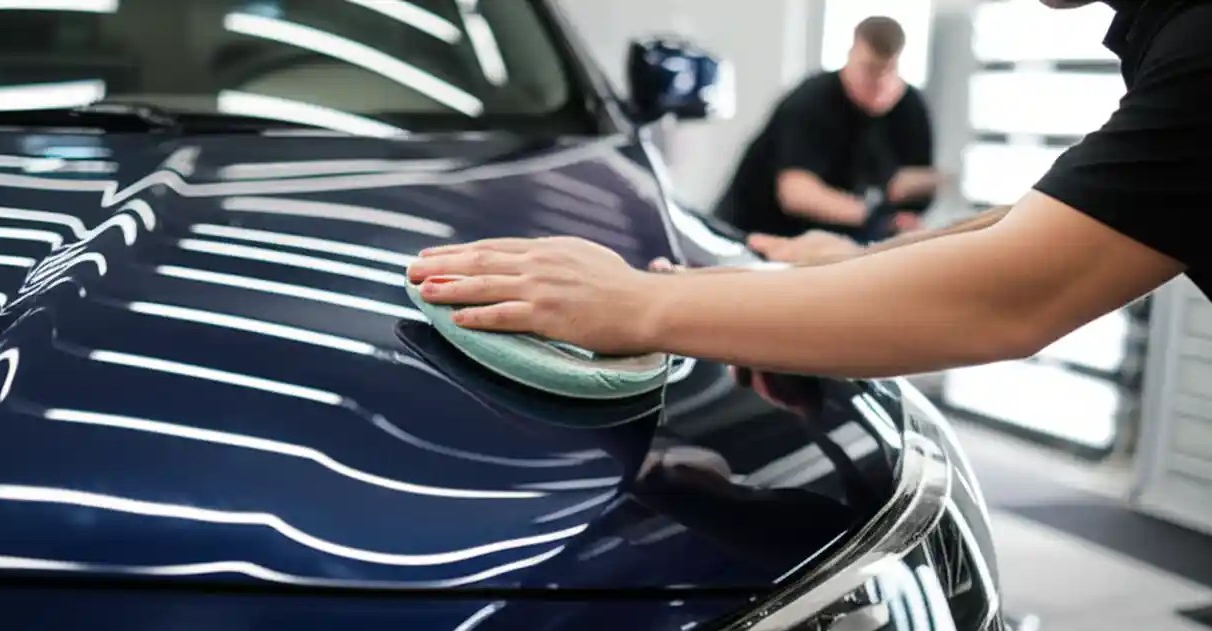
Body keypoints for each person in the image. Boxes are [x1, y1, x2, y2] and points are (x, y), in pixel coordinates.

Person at [407, 0, 1211, 386]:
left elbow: (1013, 294)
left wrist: (638, 309)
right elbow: (1049, 223)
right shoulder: (1176, 39)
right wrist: (812, 278)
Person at [714, 15, 940, 250]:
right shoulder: (811, 101)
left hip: (838, 249)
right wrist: (874, 216)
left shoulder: (911, 110)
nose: (879, 83)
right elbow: (796, 193)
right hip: (755, 237)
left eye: (888, 71)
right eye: (869, 70)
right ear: (851, 55)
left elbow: (918, 184)